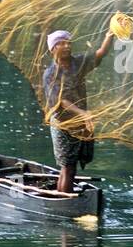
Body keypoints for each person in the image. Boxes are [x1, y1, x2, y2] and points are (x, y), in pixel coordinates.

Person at [43, 28, 115, 193]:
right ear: (53, 49)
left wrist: (109, 36)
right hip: (63, 123)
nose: (67, 46)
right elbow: (60, 101)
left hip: (80, 123)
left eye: (68, 43)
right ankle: (65, 201)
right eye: (62, 44)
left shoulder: (77, 63)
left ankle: (64, 197)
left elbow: (99, 54)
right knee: (67, 167)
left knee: (71, 166)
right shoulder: (51, 73)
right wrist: (83, 113)